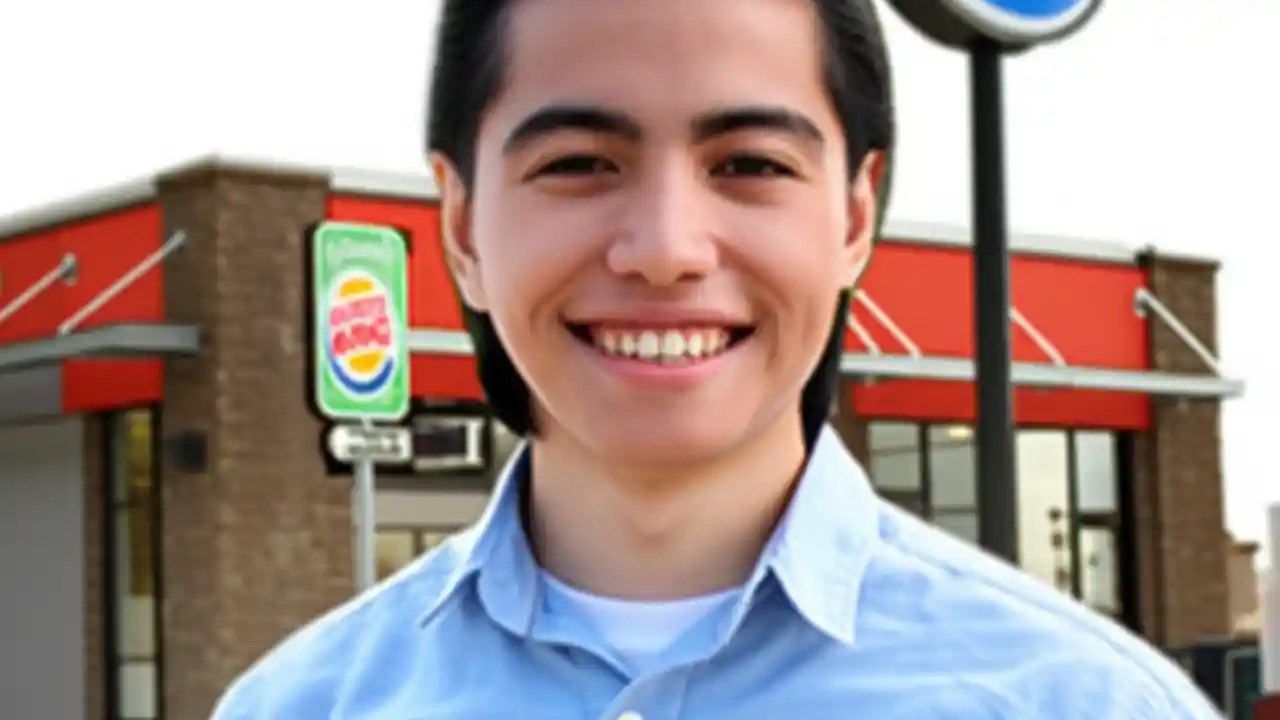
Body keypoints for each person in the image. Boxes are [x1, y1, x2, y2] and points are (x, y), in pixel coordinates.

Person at [213, 0, 1224, 717]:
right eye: (577, 164)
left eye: (747, 165)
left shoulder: (1077, 702)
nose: (663, 249)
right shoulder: (298, 706)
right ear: (464, 224)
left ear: (854, 218)